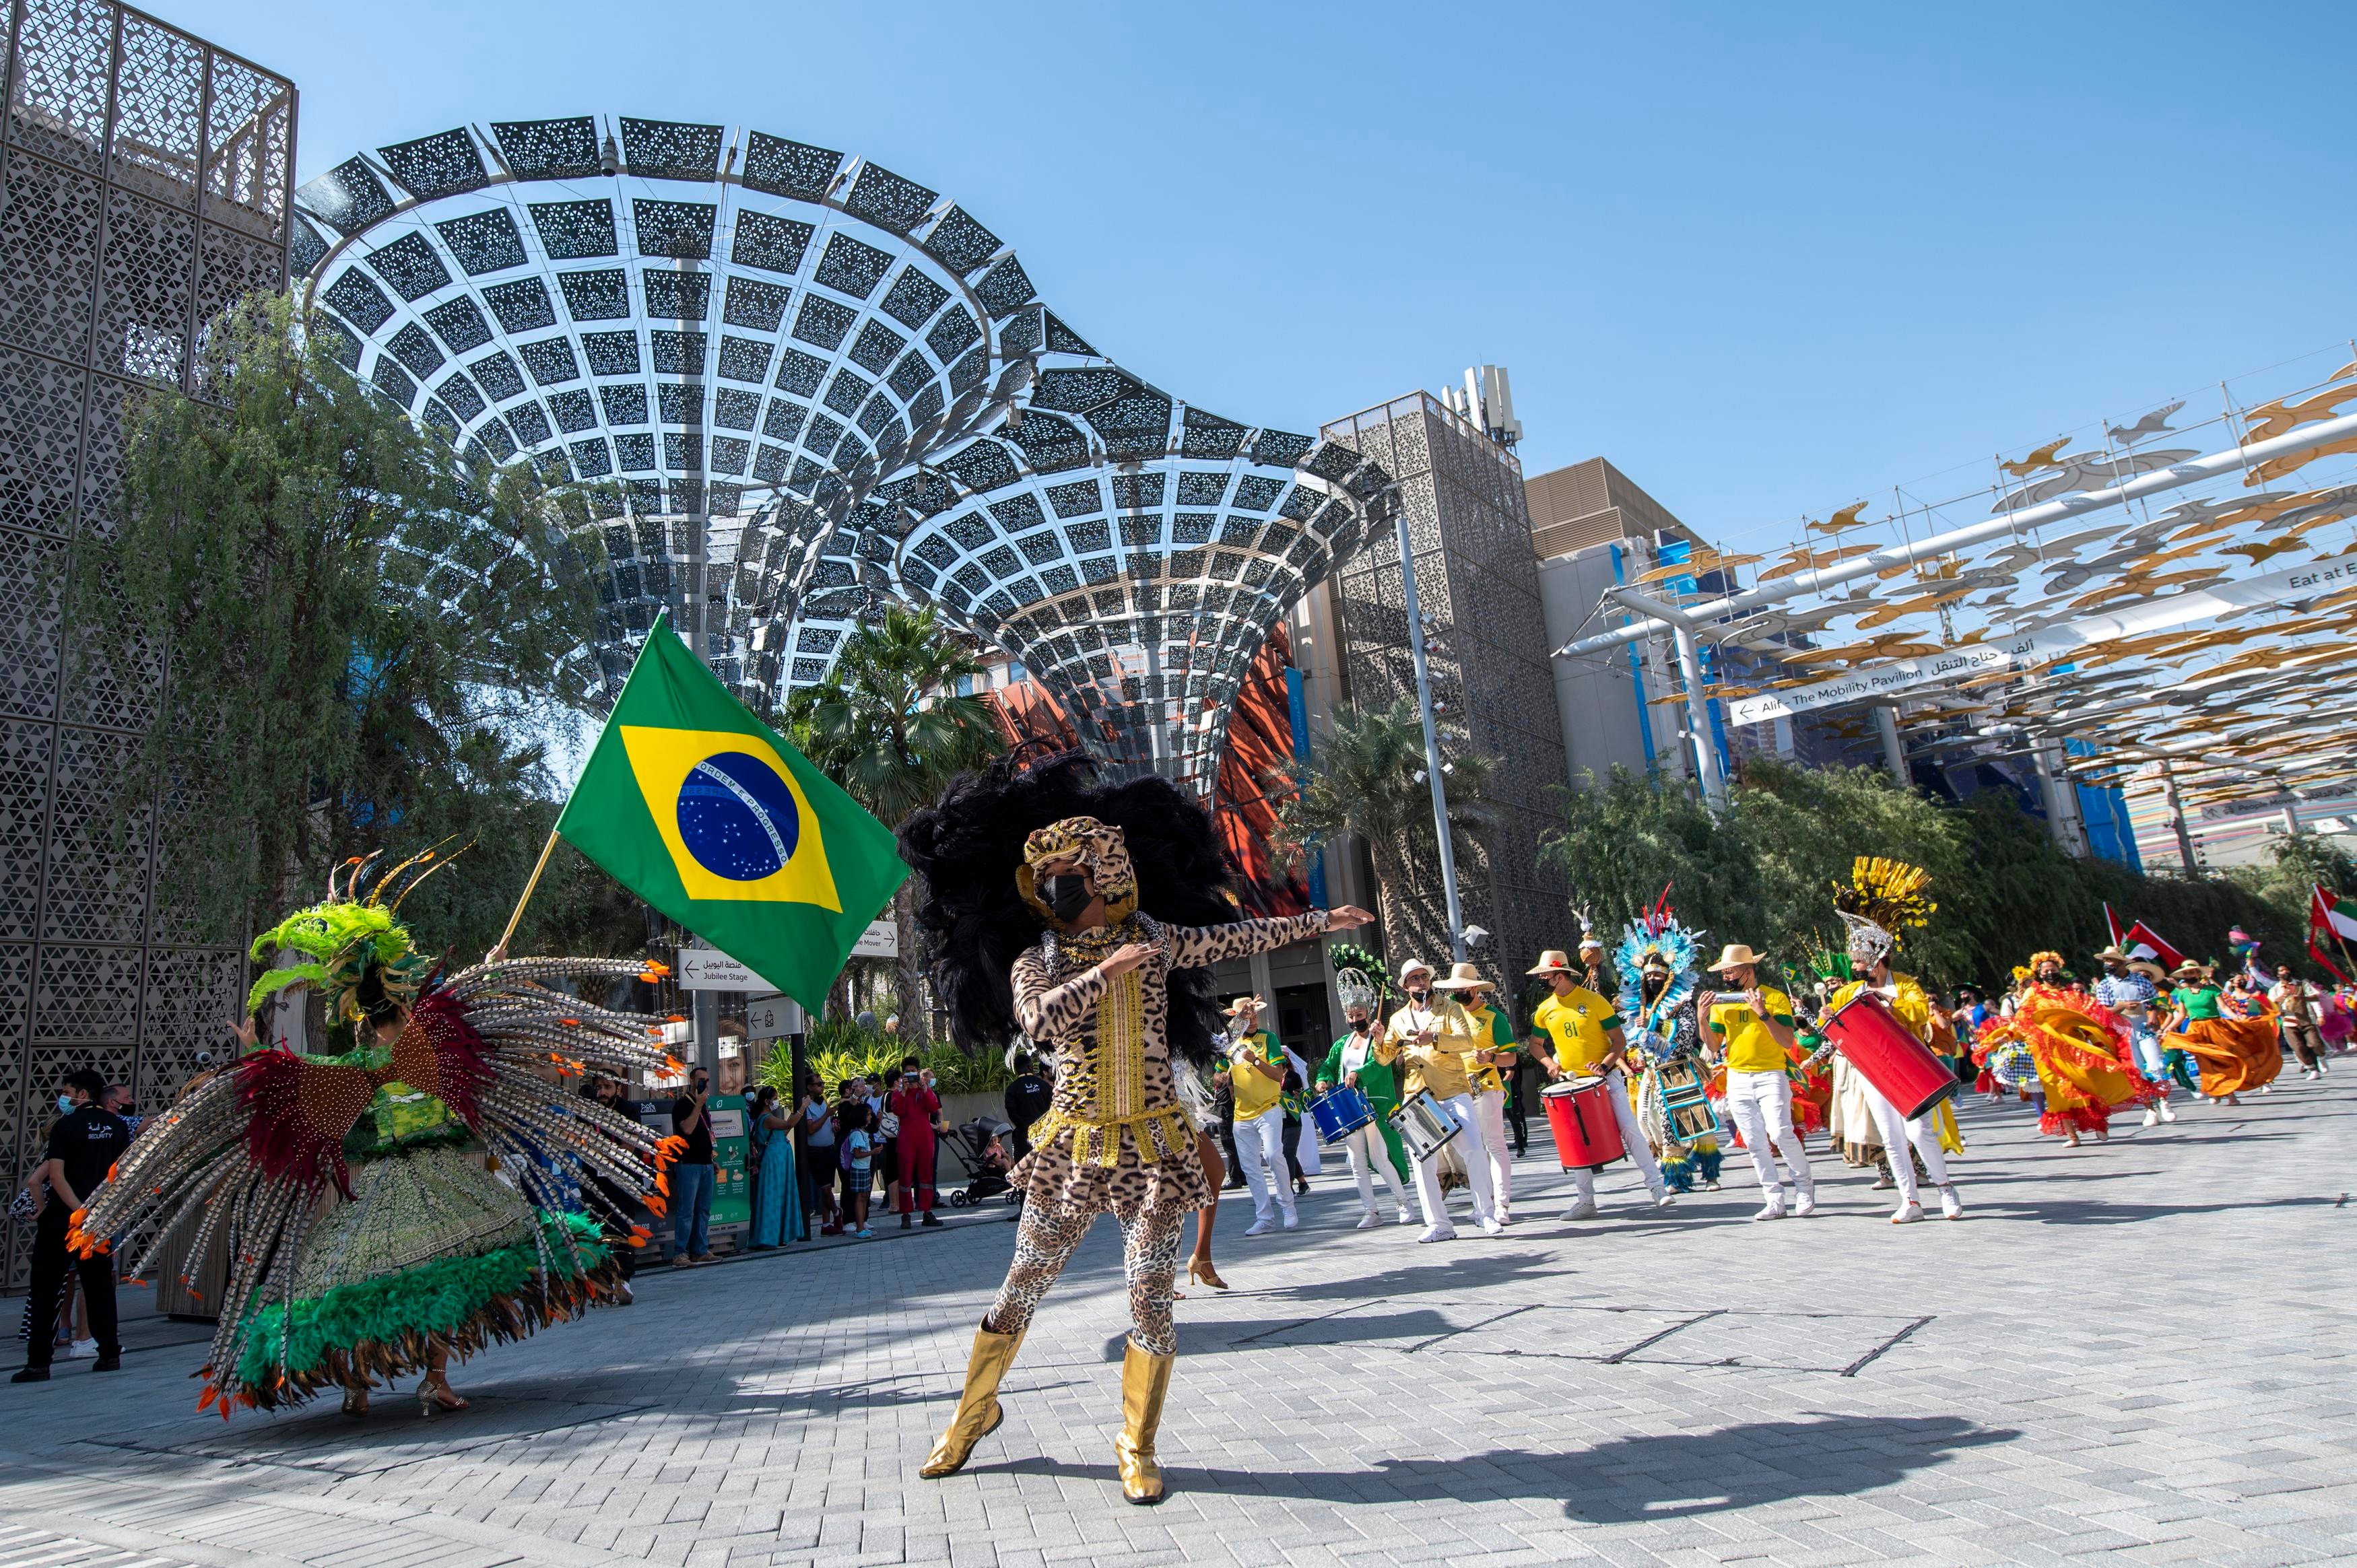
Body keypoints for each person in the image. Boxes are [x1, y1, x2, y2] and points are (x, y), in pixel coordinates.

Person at [898, 751, 1372, 1503]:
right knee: (1021, 1285)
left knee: (1149, 1295)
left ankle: (1135, 1444)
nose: (1059, 886)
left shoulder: (1158, 940)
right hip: (1075, 1146)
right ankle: (971, 1413)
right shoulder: (1037, 959)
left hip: (1153, 1146)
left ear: (1107, 872)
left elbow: (1240, 940)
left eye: (1072, 872)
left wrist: (1324, 921)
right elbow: (1040, 1020)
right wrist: (1106, 971)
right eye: (1047, 874)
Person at [61, 854, 682, 1414]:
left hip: (380, 1188)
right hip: (441, 1184)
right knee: (447, 1273)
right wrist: (488, 973)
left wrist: (253, 1057)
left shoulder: (359, 1069)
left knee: (357, 1283)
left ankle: (358, 1387)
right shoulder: (429, 1049)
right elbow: (457, 1014)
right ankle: (429, 1378)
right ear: (402, 1004)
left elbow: (292, 1083)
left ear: (362, 1014)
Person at [1822, 858, 1966, 1221]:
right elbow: (1834, 1022)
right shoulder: (1849, 991)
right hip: (1873, 1072)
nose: (1855, 967)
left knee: (1919, 1132)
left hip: (1910, 1068)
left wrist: (1888, 1001)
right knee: (1891, 1138)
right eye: (1854, 961)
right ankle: (1911, 1201)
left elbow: (1917, 1014)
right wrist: (1824, 1017)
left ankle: (1946, 1190)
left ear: (1879, 958)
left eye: (1861, 961)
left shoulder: (1904, 985)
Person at [1527, 948, 1673, 1217]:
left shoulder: (1595, 1001)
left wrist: (1604, 1066)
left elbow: (1619, 1040)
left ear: (1560, 975)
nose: (1542, 979)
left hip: (1606, 1078)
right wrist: (1550, 1064)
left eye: (1546, 975)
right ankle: (1586, 1201)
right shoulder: (1544, 1010)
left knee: (1630, 1129)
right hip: (1571, 1084)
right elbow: (1535, 1045)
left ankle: (1656, 1187)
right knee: (1576, 1141)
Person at [11, 1069, 130, 1384]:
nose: (64, 1097)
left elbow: (57, 1177)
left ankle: (39, 1363)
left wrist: (79, 1211)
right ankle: (109, 1354)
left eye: (68, 1091)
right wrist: (99, 1212)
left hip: (64, 1220)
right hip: (100, 1219)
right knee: (100, 1287)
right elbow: (120, 1175)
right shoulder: (116, 1126)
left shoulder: (65, 1126)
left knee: (46, 1289)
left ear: (82, 1095)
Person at [1380, 958, 1504, 1243]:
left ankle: (1485, 1213)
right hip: (1418, 1097)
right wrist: (1378, 1040)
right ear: (1405, 986)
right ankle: (1439, 1223)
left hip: (1453, 1091)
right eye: (1415, 978)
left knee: (1473, 1148)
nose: (1421, 982)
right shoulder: (1397, 1019)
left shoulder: (1450, 1008)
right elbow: (1385, 1056)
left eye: (1424, 977)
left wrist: (1434, 1038)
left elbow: (1466, 1042)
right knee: (1423, 1162)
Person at [1980, 951, 2158, 1145]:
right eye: (2046, 971)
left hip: (2073, 1047)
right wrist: (2007, 1037)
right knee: (2056, 1092)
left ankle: (2100, 1124)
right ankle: (2073, 1136)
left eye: (2053, 970)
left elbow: (2088, 1018)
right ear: (2039, 974)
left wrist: (2098, 1041)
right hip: (2045, 1050)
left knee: (2086, 1086)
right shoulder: (2033, 994)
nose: (2050, 974)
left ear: (2060, 971)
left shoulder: (2071, 995)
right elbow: (2023, 1020)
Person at [1698, 944, 1814, 1221]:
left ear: (1748, 971)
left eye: (1731, 970)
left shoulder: (1773, 998)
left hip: (1771, 1074)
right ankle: (1773, 1198)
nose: (1726, 975)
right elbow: (1713, 1045)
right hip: (1737, 1076)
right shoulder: (1721, 1003)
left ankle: (1804, 1187)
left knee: (1780, 1132)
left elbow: (1787, 1041)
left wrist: (1763, 1013)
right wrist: (1702, 1018)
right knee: (1753, 1141)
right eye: (1724, 971)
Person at [1311, 970, 1413, 1227]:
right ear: (1346, 1016)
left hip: (1375, 1107)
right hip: (1350, 1108)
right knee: (1357, 1162)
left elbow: (1379, 1064)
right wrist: (1322, 1079)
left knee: (1380, 1158)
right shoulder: (1342, 1043)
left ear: (1368, 1013)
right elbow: (1328, 1065)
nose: (1356, 1019)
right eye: (1351, 1016)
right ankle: (1371, 1211)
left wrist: (1358, 1073)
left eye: (1360, 1015)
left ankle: (1403, 1202)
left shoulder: (1380, 1042)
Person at [1436, 963, 1522, 1223]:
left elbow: (1512, 1058)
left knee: (1494, 1144)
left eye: (1463, 989)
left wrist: (1492, 1057)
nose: (1458, 994)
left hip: (1486, 1087)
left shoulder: (1494, 1017)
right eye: (1455, 990)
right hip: (1456, 1090)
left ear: (1475, 989)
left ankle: (1502, 1205)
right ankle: (1484, 1203)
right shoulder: (1449, 1017)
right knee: (1473, 1150)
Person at [1222, 996, 1296, 1235]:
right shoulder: (1229, 1044)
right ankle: (1264, 1218)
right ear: (1236, 1017)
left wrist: (1254, 1060)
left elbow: (1278, 1075)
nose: (1252, 1020)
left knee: (1274, 1155)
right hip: (1242, 1115)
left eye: (1254, 1015)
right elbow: (1219, 1072)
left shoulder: (1269, 1038)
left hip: (1268, 1108)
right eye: (1247, 1015)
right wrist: (1220, 1078)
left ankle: (1288, 1206)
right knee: (1250, 1167)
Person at [2162, 961, 2282, 1104]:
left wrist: (2235, 1017)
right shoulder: (2183, 994)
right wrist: (2168, 1028)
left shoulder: (2212, 990)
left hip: (2216, 1027)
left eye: (2192, 972)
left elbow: (2224, 1008)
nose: (2189, 975)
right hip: (2196, 1030)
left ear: (2198, 974)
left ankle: (2230, 1094)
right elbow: (2182, 1015)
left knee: (2224, 1059)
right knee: (2205, 1063)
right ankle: (2215, 1091)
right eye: (2186, 973)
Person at [2094, 947, 2181, 1122]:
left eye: (2110, 961)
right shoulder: (2104, 985)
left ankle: (2163, 1100)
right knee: (2136, 1069)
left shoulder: (2141, 981)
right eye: (2105, 961)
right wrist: (2122, 1007)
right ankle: (2149, 1109)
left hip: (2143, 1027)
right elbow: (2102, 1011)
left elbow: (2155, 1003)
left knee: (2156, 1064)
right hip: (2123, 1031)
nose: (2107, 964)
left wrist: (2153, 1016)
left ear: (2120, 963)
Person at [671, 1066, 717, 1266]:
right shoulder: (683, 1105)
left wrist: (713, 1159)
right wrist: (698, 1103)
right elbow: (687, 1129)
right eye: (701, 1081)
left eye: (707, 1081)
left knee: (703, 1210)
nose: (705, 1085)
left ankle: (700, 1250)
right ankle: (680, 1253)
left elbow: (707, 1133)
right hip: (689, 1164)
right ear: (692, 1081)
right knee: (686, 1211)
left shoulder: (705, 1106)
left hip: (706, 1163)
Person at [892, 1056, 944, 1227]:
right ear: (903, 1074)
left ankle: (927, 1211)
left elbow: (933, 1108)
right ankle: (906, 1214)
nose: (910, 1074)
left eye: (913, 1070)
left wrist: (924, 1088)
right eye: (907, 1071)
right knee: (905, 1175)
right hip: (907, 1138)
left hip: (925, 1137)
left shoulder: (925, 1090)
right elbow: (898, 1110)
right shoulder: (898, 1092)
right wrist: (904, 1092)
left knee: (926, 1174)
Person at [751, 1086, 804, 1248]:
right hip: (774, 1161)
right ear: (767, 1101)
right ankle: (769, 1237)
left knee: (778, 1196)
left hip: (779, 1159)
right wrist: (803, 1107)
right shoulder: (767, 1118)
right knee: (773, 1196)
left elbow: (784, 1130)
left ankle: (778, 1235)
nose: (777, 1102)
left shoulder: (768, 1118)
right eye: (775, 1098)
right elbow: (790, 1122)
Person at [2270, 965, 2329, 1079]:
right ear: (2277, 975)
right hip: (2288, 1023)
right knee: (2298, 1048)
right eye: (2281, 971)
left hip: (2307, 1020)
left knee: (2315, 1043)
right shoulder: (2275, 989)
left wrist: (2320, 1015)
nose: (2285, 972)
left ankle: (2321, 1057)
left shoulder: (2303, 985)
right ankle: (2312, 1069)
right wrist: (2280, 997)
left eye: (2286, 969)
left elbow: (2314, 999)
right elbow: (2271, 1005)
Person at [799, 1076, 839, 1234]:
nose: (822, 1086)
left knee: (827, 1188)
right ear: (809, 1087)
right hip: (816, 1152)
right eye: (818, 1084)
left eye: (823, 1084)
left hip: (830, 1148)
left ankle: (826, 1224)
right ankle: (837, 1213)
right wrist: (827, 1115)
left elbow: (825, 1125)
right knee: (825, 1188)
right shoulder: (807, 1104)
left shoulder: (823, 1101)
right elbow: (811, 1129)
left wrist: (833, 1124)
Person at [1003, 1052, 1053, 1166]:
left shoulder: (1012, 1089)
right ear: (1030, 1067)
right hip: (1044, 1135)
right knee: (1044, 1167)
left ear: (1016, 1070)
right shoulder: (1044, 1085)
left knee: (1025, 1170)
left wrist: (1027, 1128)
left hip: (1023, 1138)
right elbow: (1051, 1109)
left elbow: (1012, 1113)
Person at [838, 1101, 875, 1238]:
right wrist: (873, 1152)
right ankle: (859, 1227)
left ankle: (862, 1225)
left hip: (864, 1169)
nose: (871, 1117)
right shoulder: (857, 1134)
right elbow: (857, 1154)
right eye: (869, 1115)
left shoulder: (863, 1133)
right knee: (860, 1197)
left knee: (865, 1196)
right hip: (858, 1169)